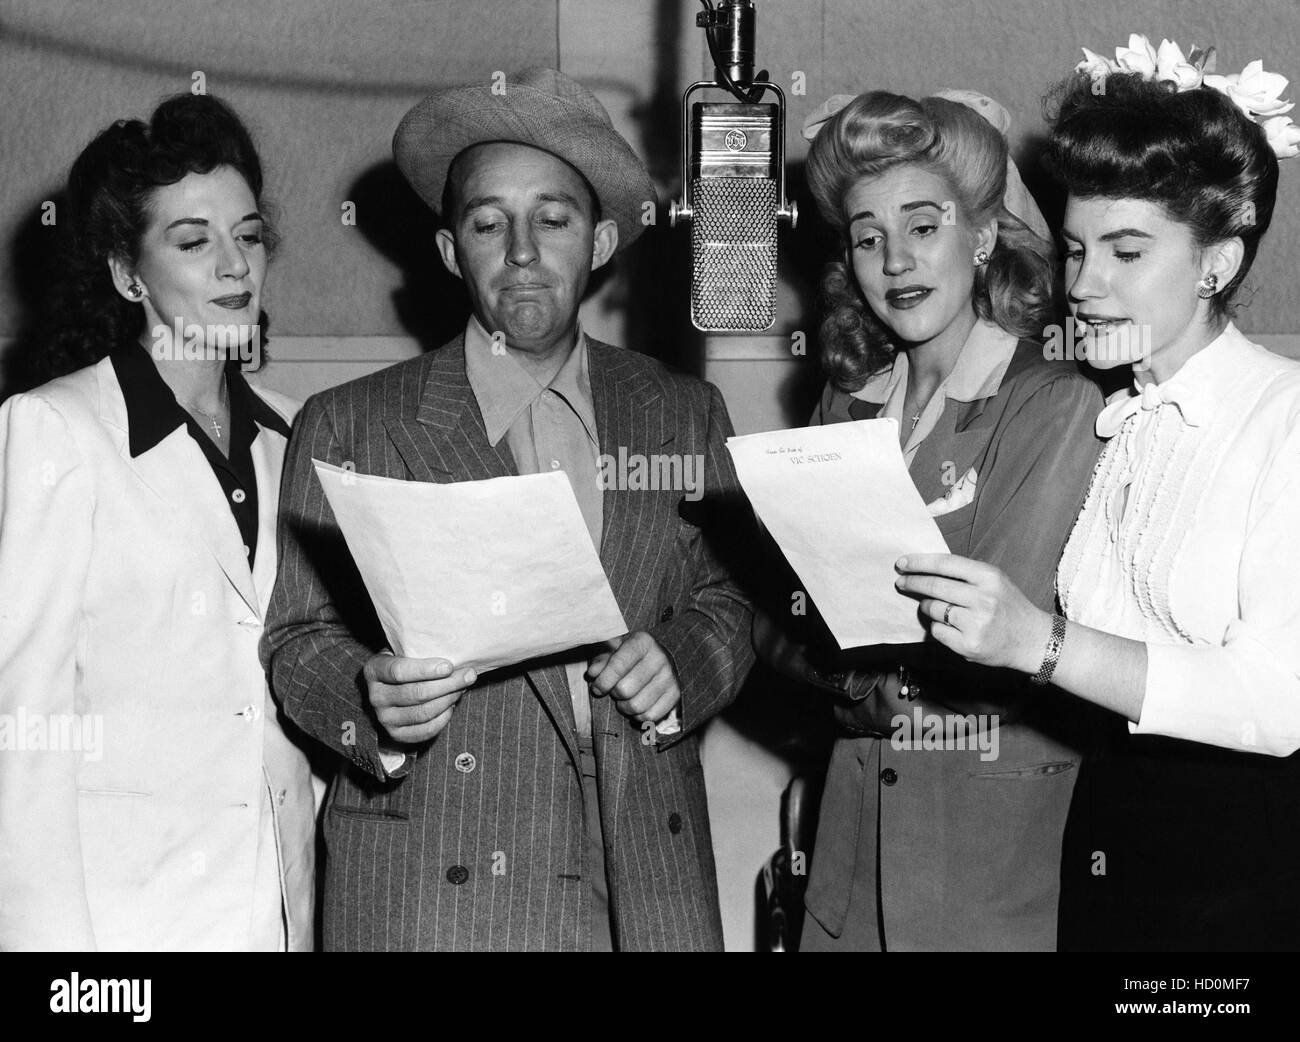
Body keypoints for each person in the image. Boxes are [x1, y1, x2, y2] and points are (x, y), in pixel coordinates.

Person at [261, 67, 754, 951]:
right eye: (489, 223)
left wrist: (683, 660)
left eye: (553, 220)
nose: (522, 252)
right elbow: (297, 642)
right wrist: (368, 698)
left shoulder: (683, 412)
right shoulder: (349, 424)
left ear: (602, 241)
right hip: (438, 893)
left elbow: (731, 601)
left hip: (645, 888)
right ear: (452, 251)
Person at [893, 36, 1300, 951]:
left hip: (1251, 863)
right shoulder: (1122, 416)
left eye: (1125, 251)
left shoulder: (1286, 419)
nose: (1084, 285)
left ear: (1217, 263)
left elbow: (1280, 705)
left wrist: (1037, 643)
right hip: (1110, 832)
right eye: (1076, 250)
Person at [756, 89, 1104, 951]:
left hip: (989, 860)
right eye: (868, 236)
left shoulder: (1053, 401)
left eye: (923, 226)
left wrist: (850, 675)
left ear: (982, 237)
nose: (895, 262)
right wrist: (861, 685)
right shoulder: (844, 403)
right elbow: (774, 620)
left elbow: (990, 646)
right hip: (849, 854)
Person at [0, 93, 318, 951]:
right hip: (123, 929)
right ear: (127, 274)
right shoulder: (54, 431)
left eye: (248, 235)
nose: (233, 267)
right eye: (193, 241)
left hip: (276, 916)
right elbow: (21, 735)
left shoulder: (301, 439)